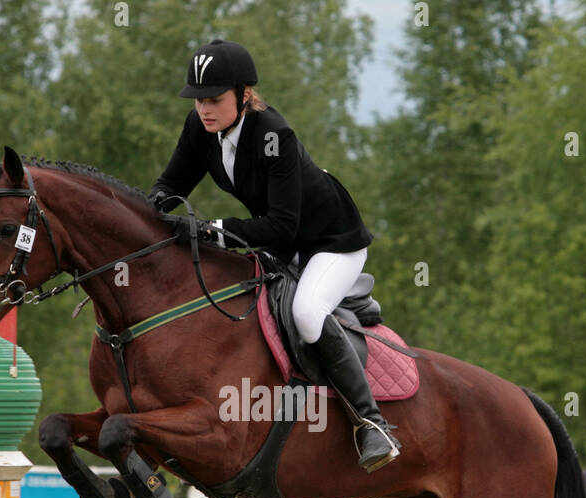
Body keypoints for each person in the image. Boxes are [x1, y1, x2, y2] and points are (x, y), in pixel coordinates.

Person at [146, 38, 400, 472]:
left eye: (214, 99)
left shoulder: (274, 137)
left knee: (305, 312)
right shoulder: (200, 129)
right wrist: (141, 216)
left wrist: (212, 230)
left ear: (244, 95)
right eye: (198, 100)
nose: (204, 109)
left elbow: (281, 228)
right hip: (282, 239)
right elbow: (169, 187)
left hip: (330, 242)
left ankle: (372, 424)